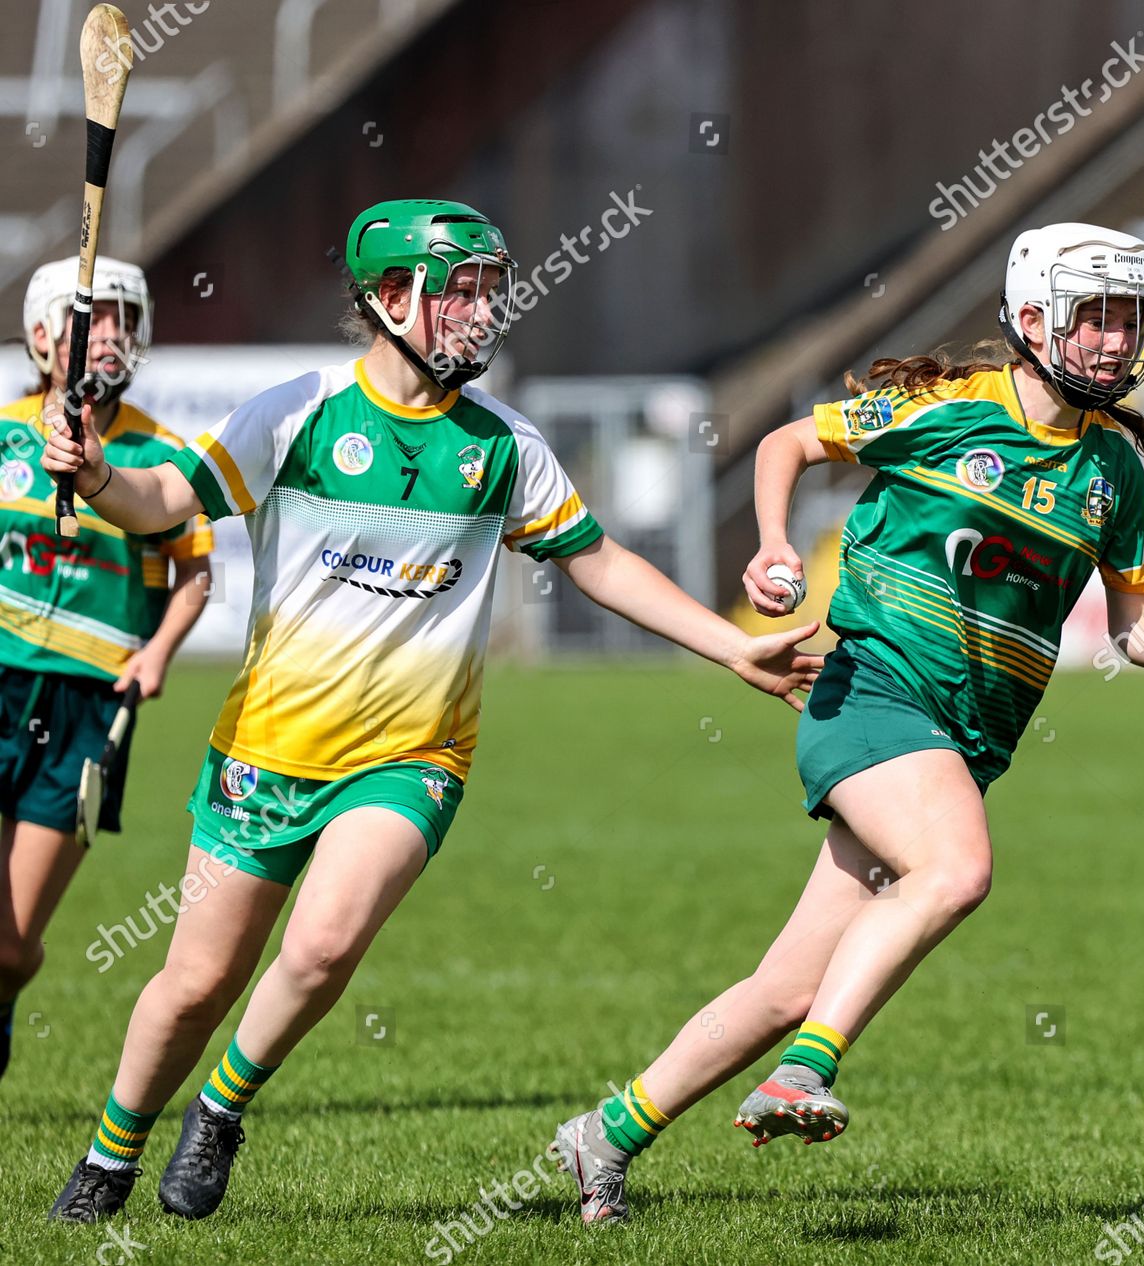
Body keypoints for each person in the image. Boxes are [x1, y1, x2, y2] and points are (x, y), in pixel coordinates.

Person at [41, 199, 821, 1224]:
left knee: (322, 946)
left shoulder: (502, 443)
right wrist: (95, 473)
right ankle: (108, 1157)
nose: (486, 311)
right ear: (389, 297)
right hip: (265, 752)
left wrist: (732, 648)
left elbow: (598, 561)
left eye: (493, 289)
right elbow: (166, 503)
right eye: (464, 291)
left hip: (414, 755)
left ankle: (221, 1108)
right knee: (193, 985)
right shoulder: (299, 410)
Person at [551, 222, 1144, 1224]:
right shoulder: (947, 411)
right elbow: (788, 441)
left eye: (1130, 318)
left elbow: (1135, 628)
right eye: (1094, 316)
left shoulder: (1113, 475)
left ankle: (606, 1133)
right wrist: (771, 549)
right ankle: (805, 1073)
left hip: (966, 745)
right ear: (1030, 320)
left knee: (786, 984)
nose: (1114, 338)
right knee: (957, 872)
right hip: (873, 695)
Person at [0, 256, 212, 1085]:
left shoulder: (158, 451)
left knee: (13, 950)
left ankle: (7, 995)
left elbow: (195, 574)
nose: (114, 333)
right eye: (99, 316)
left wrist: (155, 654)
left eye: (127, 317)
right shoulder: (5, 431)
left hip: (91, 702)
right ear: (45, 335)